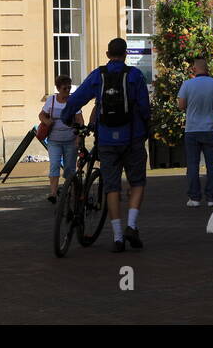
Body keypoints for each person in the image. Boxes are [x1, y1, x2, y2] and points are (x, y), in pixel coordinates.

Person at [61, 38, 151, 253]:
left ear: (108, 53)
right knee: (137, 181)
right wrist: (145, 128)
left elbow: (77, 98)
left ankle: (118, 237)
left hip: (107, 139)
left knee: (111, 186)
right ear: (126, 54)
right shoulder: (135, 76)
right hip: (133, 137)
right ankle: (132, 225)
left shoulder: (98, 75)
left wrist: (67, 118)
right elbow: (145, 107)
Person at [178, 56, 213, 207]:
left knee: (192, 165)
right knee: (212, 165)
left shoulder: (187, 84)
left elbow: (181, 105)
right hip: (210, 128)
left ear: (194, 69)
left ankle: (194, 198)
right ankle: (211, 198)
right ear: (207, 69)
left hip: (192, 129)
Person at [39, 75, 83, 203]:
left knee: (70, 169)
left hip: (70, 141)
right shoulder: (51, 101)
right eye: (64, 88)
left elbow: (80, 120)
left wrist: (79, 136)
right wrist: (47, 121)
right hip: (54, 141)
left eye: (69, 88)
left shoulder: (73, 101)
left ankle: (71, 191)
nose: (67, 91)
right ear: (58, 88)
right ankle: (53, 193)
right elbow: (41, 115)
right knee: (54, 165)